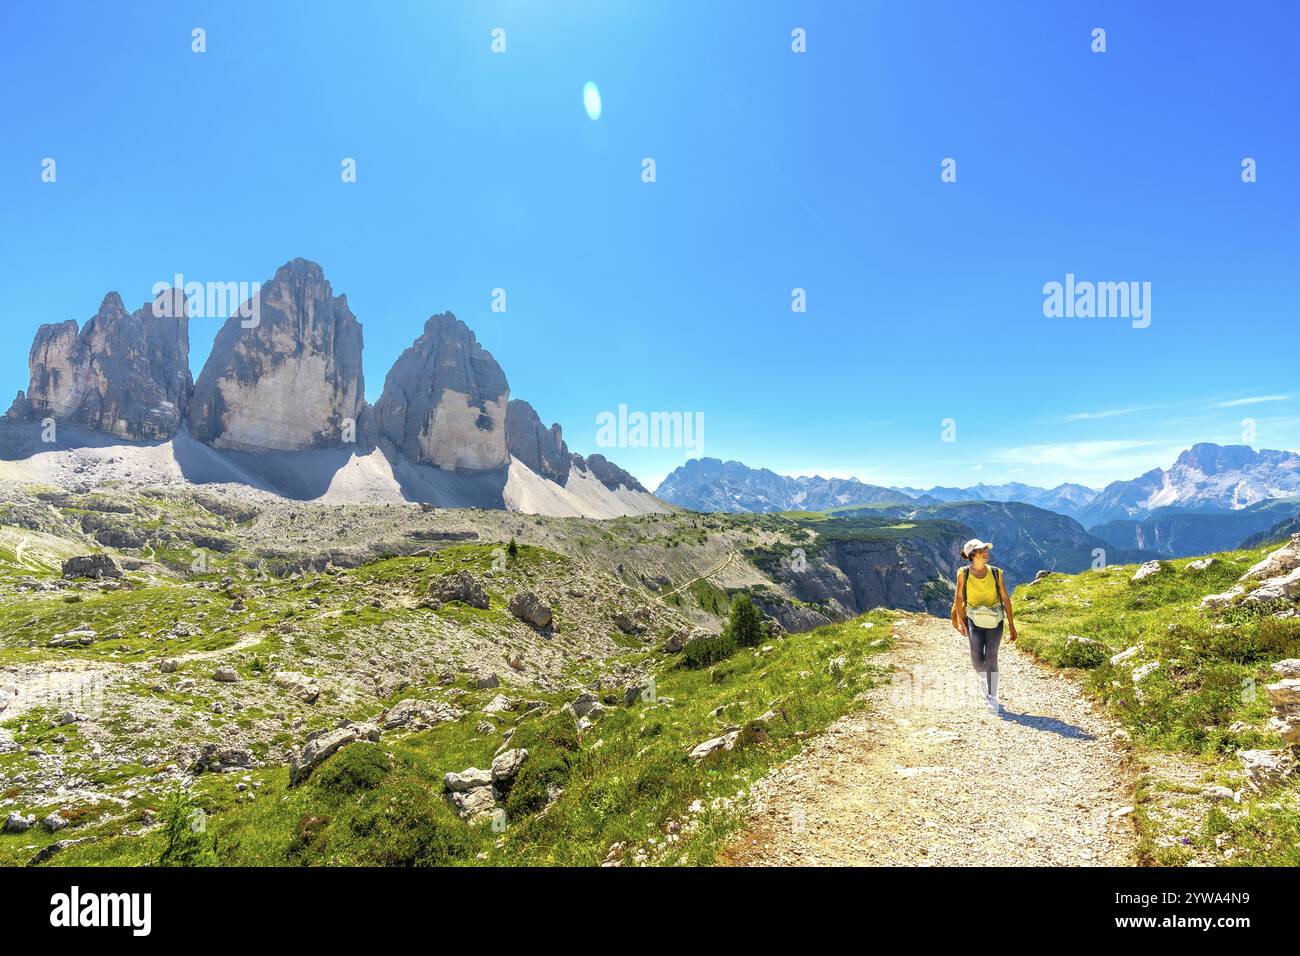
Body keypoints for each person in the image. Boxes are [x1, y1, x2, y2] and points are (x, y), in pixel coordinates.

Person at [950, 538, 1018, 714]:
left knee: (991, 656)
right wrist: (959, 620)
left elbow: (1005, 597)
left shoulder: (996, 572)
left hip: (995, 619)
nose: (986, 552)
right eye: (982, 550)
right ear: (972, 555)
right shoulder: (963, 573)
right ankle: (983, 676)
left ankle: (992, 696)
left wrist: (1011, 623)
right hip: (973, 618)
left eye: (986, 549)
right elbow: (958, 598)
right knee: (977, 659)